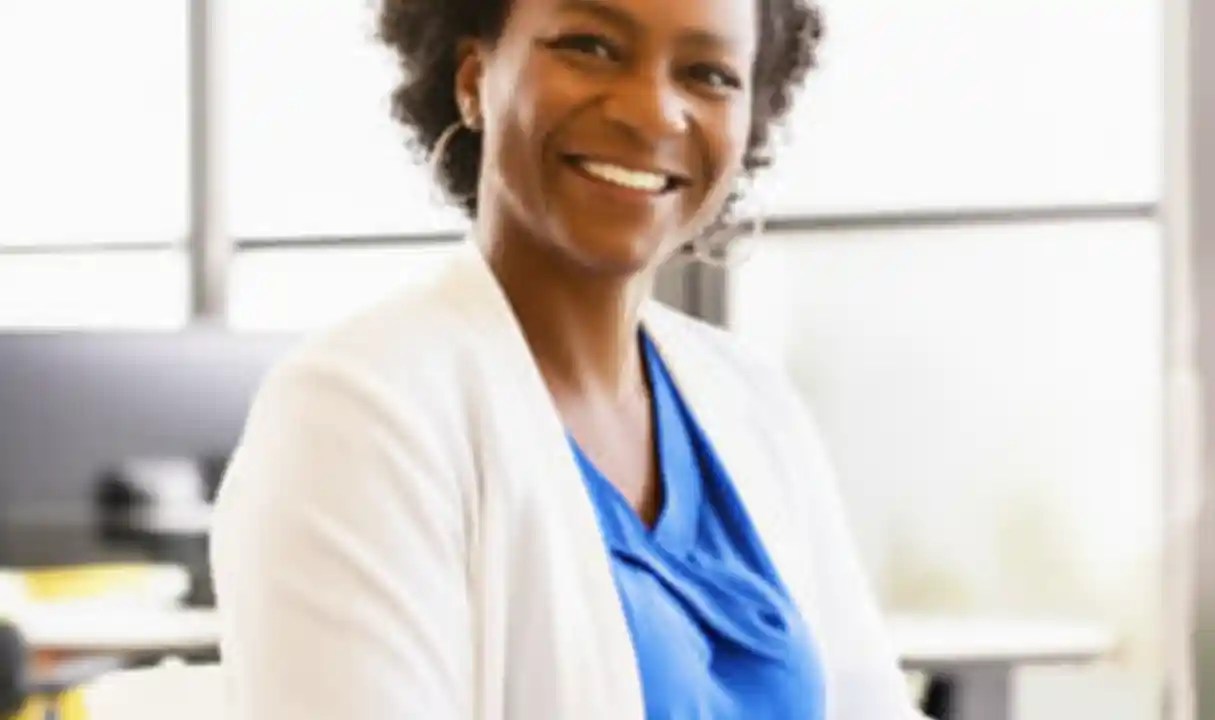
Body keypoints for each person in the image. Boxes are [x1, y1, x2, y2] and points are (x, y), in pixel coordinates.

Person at [210, 0, 923, 717]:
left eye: (708, 74)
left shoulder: (752, 399)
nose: (652, 113)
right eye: (591, 46)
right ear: (473, 78)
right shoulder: (356, 413)